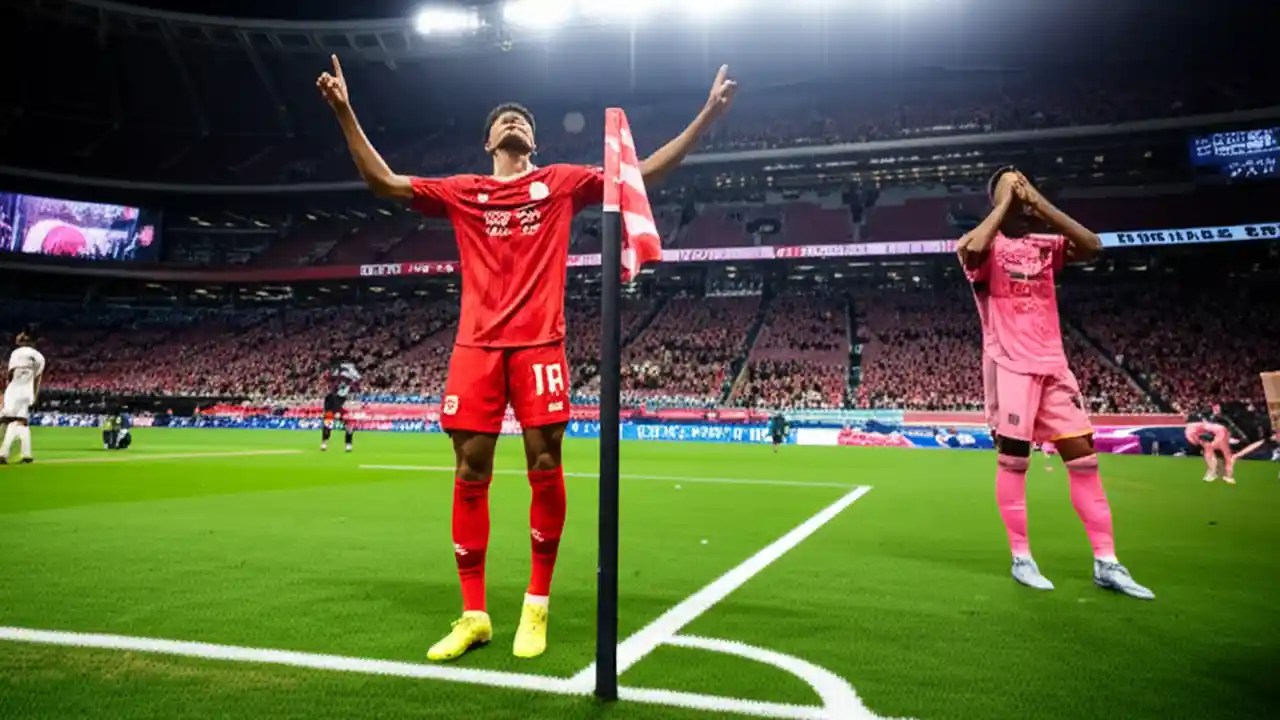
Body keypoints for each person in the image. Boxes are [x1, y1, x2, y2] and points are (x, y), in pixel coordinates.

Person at [317, 54, 737, 660]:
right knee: (470, 469)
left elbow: (640, 174)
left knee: (544, 459)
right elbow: (385, 183)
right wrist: (344, 110)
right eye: (502, 119)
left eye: (521, 118)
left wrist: (705, 117)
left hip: (539, 343)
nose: (512, 122)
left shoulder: (563, 182)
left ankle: (536, 605)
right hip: (475, 347)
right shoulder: (465, 192)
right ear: (487, 140)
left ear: (532, 140)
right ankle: (474, 614)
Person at [957, 167, 1154, 600]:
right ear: (996, 201)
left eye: (1025, 186)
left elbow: (1092, 245)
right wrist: (1006, 201)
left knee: (1084, 459)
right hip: (1009, 363)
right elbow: (968, 250)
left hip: (1053, 364)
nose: (1022, 194)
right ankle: (1021, 557)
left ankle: (1107, 562)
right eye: (1012, 189)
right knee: (1014, 460)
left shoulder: (1043, 246)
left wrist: (1039, 202)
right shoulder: (986, 246)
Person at [1, 330, 46, 465]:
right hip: (27, 391)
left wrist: (5, 392)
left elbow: (10, 374)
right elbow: (38, 378)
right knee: (22, 423)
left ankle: (3, 453)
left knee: (7, 420)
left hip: (15, 388)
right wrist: (34, 395)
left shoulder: (16, 353)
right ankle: (27, 454)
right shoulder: (40, 357)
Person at [1185, 415, 1235, 484]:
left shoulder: (1194, 429)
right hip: (1216, 438)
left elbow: (1197, 440)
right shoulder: (1204, 427)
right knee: (1218, 456)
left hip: (1215, 438)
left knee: (1214, 456)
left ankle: (1215, 474)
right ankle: (1218, 474)